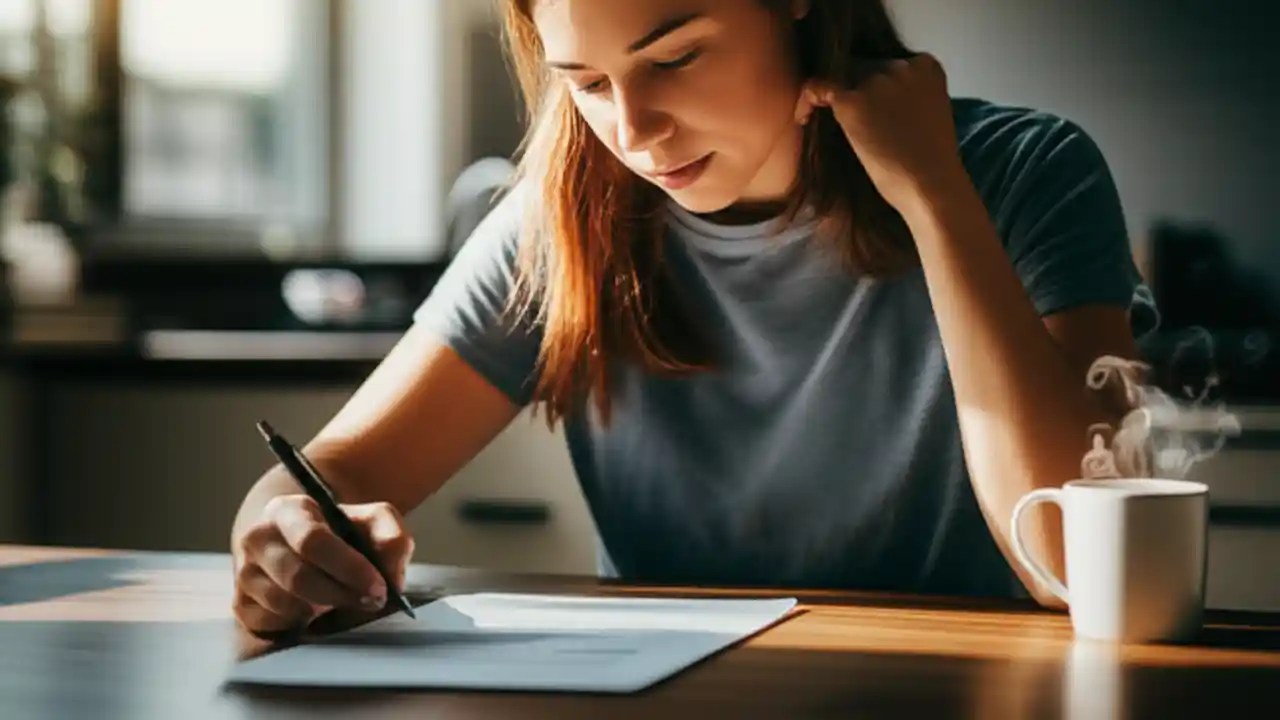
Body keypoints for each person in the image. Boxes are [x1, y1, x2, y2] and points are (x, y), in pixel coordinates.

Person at [230, 0, 1146, 635]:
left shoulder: (1027, 174)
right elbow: (325, 475)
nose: (634, 131)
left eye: (675, 57)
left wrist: (934, 196)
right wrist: (278, 536)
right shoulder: (560, 223)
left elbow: (1075, 560)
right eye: (587, 82)